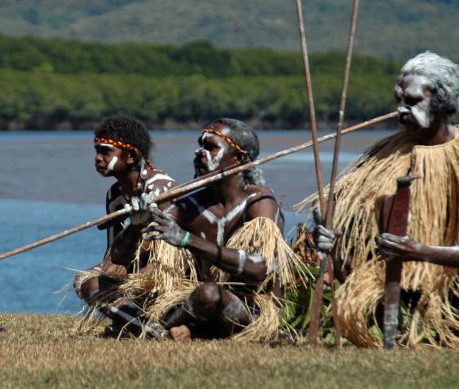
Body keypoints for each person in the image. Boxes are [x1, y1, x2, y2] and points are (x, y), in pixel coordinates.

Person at [309, 51, 459, 349]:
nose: (401, 109)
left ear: (442, 102)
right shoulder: (387, 152)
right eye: (398, 100)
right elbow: (335, 201)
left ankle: (456, 326)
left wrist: (419, 251)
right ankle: (387, 325)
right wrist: (328, 228)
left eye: (411, 101)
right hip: (394, 273)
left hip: (455, 281)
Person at [125, 118, 303, 341]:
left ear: (239, 158)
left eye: (210, 147)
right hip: (200, 300)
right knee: (101, 286)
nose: (199, 151)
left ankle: (161, 328)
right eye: (200, 144)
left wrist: (187, 239)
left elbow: (260, 268)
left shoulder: (260, 202)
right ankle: (184, 328)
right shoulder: (190, 204)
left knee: (208, 293)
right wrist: (136, 225)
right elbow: (128, 258)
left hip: (249, 308)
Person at [74, 116, 176, 324]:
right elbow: (113, 251)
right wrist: (108, 272)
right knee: (87, 283)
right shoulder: (115, 195)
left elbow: (159, 249)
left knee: (125, 282)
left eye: (105, 152)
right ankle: (136, 323)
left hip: (168, 268)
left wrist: (121, 272)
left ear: (130, 156)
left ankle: (144, 321)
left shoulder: (160, 188)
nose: (98, 158)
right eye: (97, 151)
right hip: (132, 264)